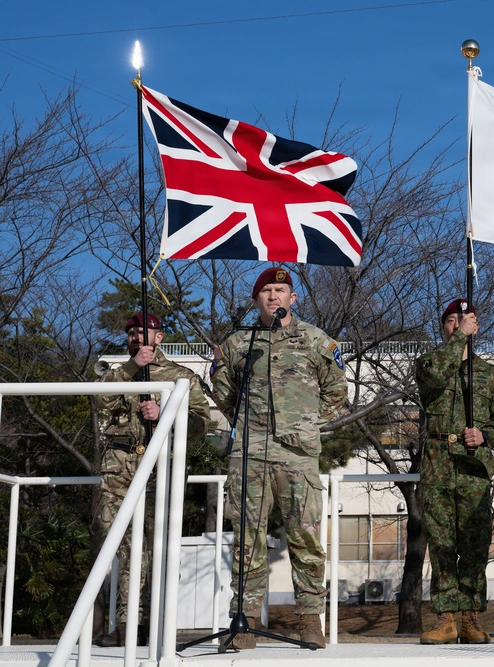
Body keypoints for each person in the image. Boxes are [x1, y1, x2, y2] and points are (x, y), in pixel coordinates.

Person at [212, 267, 347, 650]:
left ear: (293, 299)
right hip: (250, 454)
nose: (274, 297)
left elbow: (337, 391)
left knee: (305, 537)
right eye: (267, 291)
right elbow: (224, 390)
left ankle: (309, 621)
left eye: (281, 290)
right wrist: (249, 424)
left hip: (297, 455)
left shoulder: (316, 341)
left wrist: (306, 424)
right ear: (256, 300)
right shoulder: (239, 344)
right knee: (247, 539)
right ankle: (245, 621)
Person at [93, 313, 211, 647]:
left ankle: (156, 623)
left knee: (160, 545)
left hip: (161, 463)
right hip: (120, 464)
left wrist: (167, 415)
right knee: (122, 542)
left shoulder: (180, 377)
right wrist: (131, 369)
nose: (135, 338)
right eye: (130, 333)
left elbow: (202, 426)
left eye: (142, 333)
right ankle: (127, 624)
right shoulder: (119, 375)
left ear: (159, 337)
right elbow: (99, 400)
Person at [415, 298, 494, 645]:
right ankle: (445, 618)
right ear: (443, 326)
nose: (457, 325)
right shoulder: (429, 363)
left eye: (464, 320)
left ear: (476, 326)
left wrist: (486, 434)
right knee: (442, 545)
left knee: (475, 545)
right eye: (451, 321)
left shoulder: (489, 374)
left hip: (473, 468)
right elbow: (435, 375)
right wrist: (460, 339)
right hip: (437, 465)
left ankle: (471, 617)